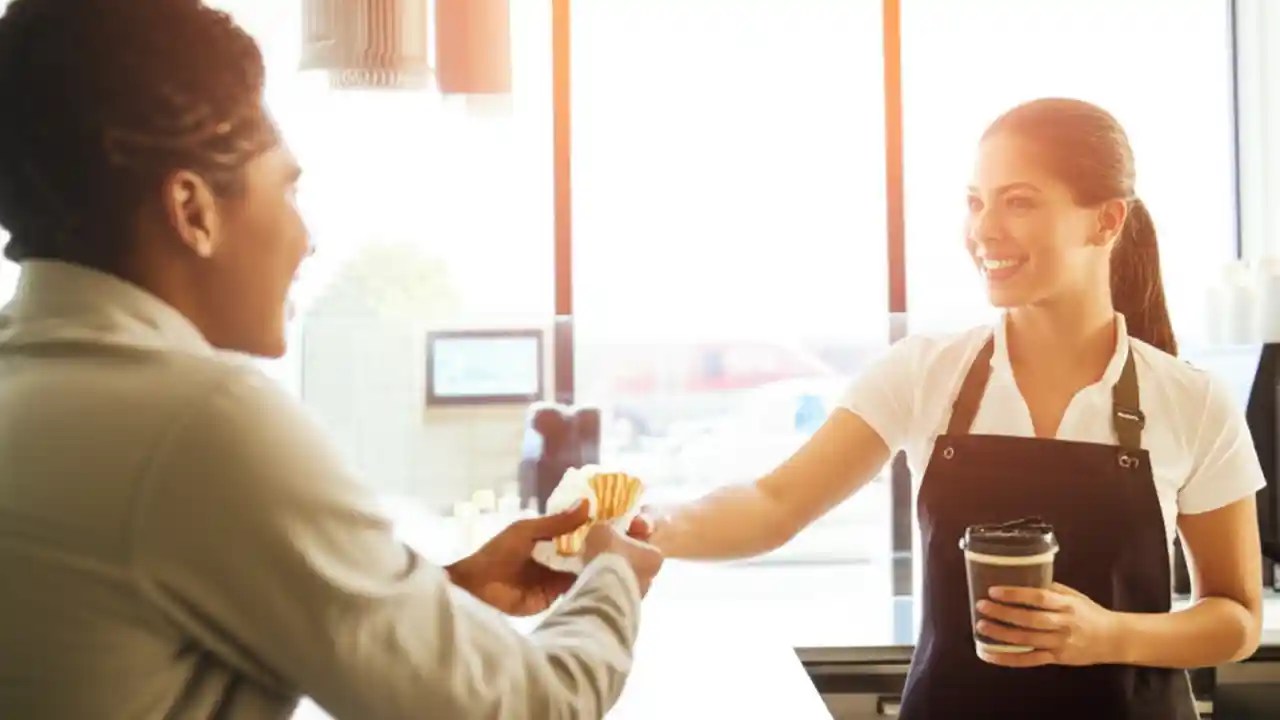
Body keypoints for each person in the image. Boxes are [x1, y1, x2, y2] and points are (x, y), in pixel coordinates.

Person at [0, 1, 661, 719]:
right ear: (193, 212)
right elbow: (536, 707)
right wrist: (611, 576)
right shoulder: (199, 423)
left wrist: (445, 593)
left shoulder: (30, 385)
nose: (306, 238)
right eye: (287, 188)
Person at [633, 97, 1265, 718]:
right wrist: (641, 527)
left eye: (1018, 201)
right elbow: (772, 505)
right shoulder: (925, 374)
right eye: (975, 201)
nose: (984, 228)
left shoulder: (1192, 400)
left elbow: (1235, 618)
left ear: (1105, 221)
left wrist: (1106, 635)